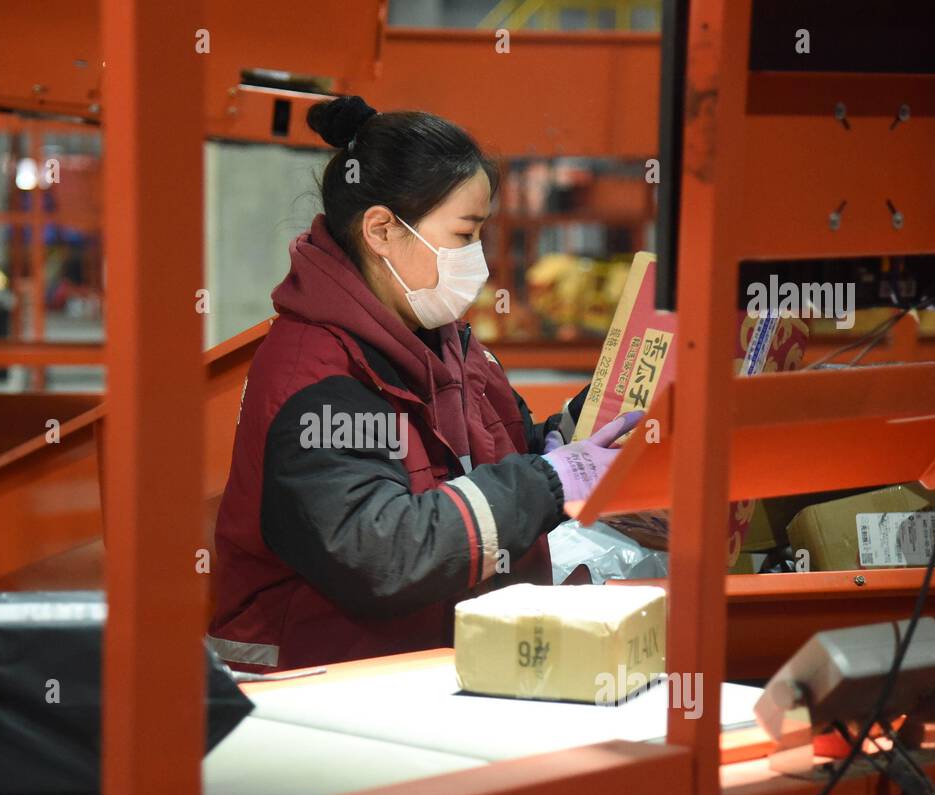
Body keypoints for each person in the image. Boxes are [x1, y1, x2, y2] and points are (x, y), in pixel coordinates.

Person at [208, 95, 639, 672]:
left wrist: (568, 437)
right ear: (382, 230)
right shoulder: (319, 374)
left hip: (431, 667)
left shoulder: (446, 341)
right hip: (317, 691)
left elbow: (484, 466)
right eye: (464, 235)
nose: (477, 260)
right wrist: (547, 483)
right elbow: (381, 552)